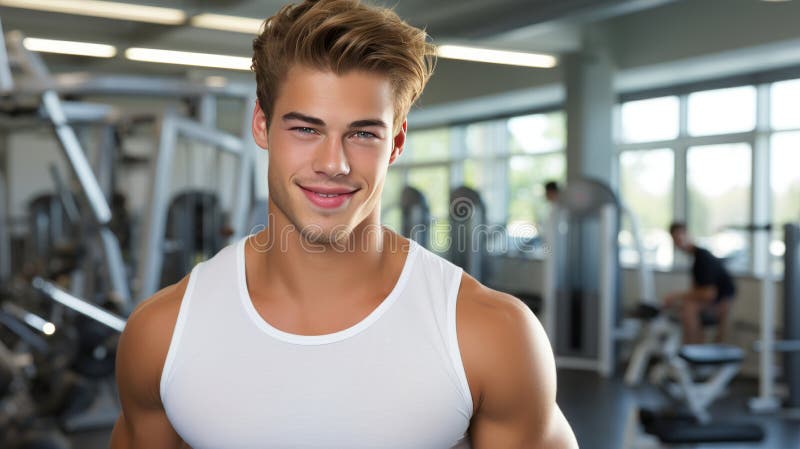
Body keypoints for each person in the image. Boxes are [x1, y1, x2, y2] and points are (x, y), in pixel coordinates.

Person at [111, 1, 577, 448]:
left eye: (362, 134)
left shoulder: (490, 333)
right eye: (306, 129)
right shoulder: (163, 333)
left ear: (395, 143)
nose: (333, 163)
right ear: (261, 124)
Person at [663, 222, 736, 344]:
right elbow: (697, 290)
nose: (679, 242)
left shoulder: (702, 257)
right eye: (675, 239)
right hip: (716, 298)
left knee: (689, 309)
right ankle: (692, 347)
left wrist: (675, 296)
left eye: (680, 237)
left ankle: (694, 348)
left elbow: (708, 294)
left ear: (688, 235)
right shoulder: (696, 259)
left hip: (722, 301)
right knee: (684, 305)